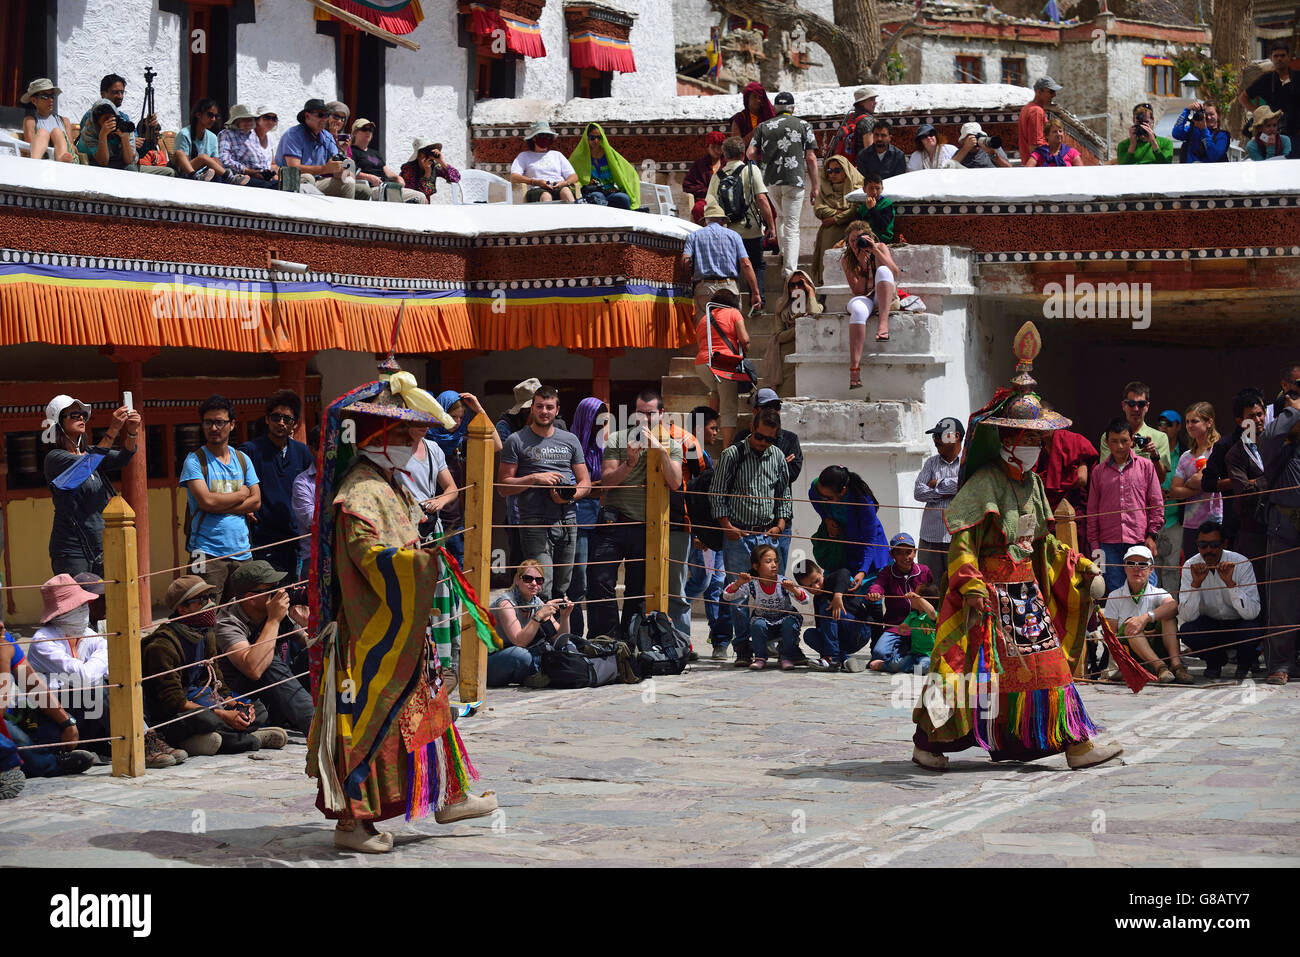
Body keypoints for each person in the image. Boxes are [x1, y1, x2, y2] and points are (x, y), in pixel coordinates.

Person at [910, 322, 1122, 772]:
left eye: (1041, 440)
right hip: (986, 598)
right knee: (962, 673)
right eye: (1030, 439)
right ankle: (928, 740)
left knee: (1048, 670)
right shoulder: (983, 484)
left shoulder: (1034, 485)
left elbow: (1043, 547)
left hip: (1025, 598)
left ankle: (1068, 743)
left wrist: (1081, 566)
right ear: (1007, 440)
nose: (1037, 447)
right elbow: (961, 542)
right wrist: (968, 583)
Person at [306, 354, 495, 852]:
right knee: (369, 724)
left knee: (425, 710)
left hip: (402, 626)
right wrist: (419, 564)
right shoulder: (357, 494)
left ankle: (448, 793)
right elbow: (367, 557)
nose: (416, 449)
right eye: (408, 440)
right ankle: (352, 823)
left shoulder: (387, 484)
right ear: (378, 440)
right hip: (370, 634)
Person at [143, 576, 285, 755]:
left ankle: (222, 738)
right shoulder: (162, 645)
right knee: (206, 718)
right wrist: (223, 715)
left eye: (210, 597)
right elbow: (173, 702)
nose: (210, 604)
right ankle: (245, 738)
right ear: (182, 609)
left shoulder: (206, 634)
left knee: (258, 710)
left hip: (205, 701)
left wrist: (234, 706)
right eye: (202, 600)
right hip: (177, 714)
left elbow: (217, 683)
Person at [588, 390, 683, 639]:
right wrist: (629, 463)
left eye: (650, 413)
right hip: (613, 522)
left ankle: (631, 640)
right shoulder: (618, 439)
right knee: (600, 581)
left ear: (661, 414)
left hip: (646, 526)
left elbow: (675, 483)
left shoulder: (672, 444)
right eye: (639, 412)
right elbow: (606, 483)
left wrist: (660, 451)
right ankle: (606, 639)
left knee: (638, 590)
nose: (644, 418)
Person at [710, 406, 791, 660]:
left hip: (767, 536)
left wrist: (779, 525)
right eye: (760, 437)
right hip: (738, 535)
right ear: (752, 430)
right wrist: (726, 526)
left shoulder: (777, 456)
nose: (764, 443)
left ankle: (765, 644)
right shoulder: (732, 455)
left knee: (771, 592)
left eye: (770, 439)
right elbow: (717, 493)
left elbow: (784, 493)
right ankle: (742, 647)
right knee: (738, 593)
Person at [498, 385, 592, 601]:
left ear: (557, 410)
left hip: (568, 520)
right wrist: (534, 479)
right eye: (539, 406)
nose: (544, 411)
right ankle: (539, 634)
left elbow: (585, 482)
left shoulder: (570, 440)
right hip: (534, 521)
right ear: (531, 408)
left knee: (564, 587)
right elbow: (503, 487)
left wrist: (569, 495)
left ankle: (558, 634)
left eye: (549, 407)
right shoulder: (516, 440)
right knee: (542, 584)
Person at [42, 395, 139, 578]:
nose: (81, 418)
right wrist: (114, 428)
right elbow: (87, 465)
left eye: (82, 415)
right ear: (59, 423)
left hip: (100, 544)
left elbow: (122, 458)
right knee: (79, 606)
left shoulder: (93, 453)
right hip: (72, 550)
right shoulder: (55, 458)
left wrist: (132, 432)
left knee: (106, 603)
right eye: (74, 415)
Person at [213, 561, 314, 734]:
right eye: (271, 590)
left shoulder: (275, 610)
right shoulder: (228, 622)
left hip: (280, 689)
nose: (280, 594)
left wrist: (310, 626)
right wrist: (273, 620)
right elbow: (253, 669)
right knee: (267, 662)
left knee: (313, 653)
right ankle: (315, 725)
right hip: (248, 698)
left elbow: (311, 644)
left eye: (279, 587)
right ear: (251, 598)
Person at [2, 598, 96, 783]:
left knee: (54, 731)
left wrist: (65, 721)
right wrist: (3, 661)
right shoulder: (12, 646)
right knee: (14, 740)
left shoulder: (5, 640)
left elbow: (30, 683)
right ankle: (48, 764)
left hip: (12, 714)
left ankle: (22, 761)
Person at [179, 395, 261, 600]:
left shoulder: (243, 460)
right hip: (206, 553)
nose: (214, 428)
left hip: (243, 552)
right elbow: (206, 502)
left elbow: (257, 501)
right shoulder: (195, 461)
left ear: (232, 425)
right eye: (208, 422)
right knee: (205, 615)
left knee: (243, 615)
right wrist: (241, 495)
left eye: (220, 422)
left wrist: (218, 504)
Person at [237, 390, 314, 575]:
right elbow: (234, 483)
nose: (281, 422)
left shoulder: (302, 452)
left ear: (294, 424)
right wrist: (243, 505)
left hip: (297, 539)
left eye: (287, 419)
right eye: (276, 417)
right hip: (264, 539)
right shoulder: (250, 450)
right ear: (267, 419)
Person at [1177, 522, 1264, 682]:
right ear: (1197, 545)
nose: (1208, 550)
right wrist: (1195, 585)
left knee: (1254, 629)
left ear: (1224, 544)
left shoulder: (1241, 563)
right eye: (1203, 545)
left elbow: (1252, 612)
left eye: (1214, 545)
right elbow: (1186, 616)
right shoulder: (1190, 566)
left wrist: (1231, 585)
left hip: (1238, 623)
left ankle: (1244, 664)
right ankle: (1215, 662)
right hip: (1210, 625)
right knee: (1187, 631)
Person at [1087, 418, 1164, 595]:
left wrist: (1152, 535)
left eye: (1124, 441)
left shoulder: (1145, 466)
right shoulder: (1098, 472)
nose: (1120, 446)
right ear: (1107, 442)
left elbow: (1156, 503)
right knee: (1115, 591)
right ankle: (1122, 623)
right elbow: (1092, 511)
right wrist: (1094, 544)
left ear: (1132, 441)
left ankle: (1146, 623)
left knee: (1146, 589)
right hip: (1108, 542)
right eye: (1114, 441)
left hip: (1139, 539)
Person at [749, 91, 819, 280]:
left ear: (775, 109)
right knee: (792, 225)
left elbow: (750, 152)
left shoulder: (763, 126)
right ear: (793, 108)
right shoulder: (804, 125)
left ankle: (783, 253)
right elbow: (811, 158)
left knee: (781, 216)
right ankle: (789, 270)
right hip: (794, 180)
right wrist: (815, 186)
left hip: (770, 181)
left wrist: (762, 166)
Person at [734, 389, 803, 570]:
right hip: (744, 526)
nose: (774, 411)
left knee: (776, 582)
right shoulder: (741, 438)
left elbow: (792, 474)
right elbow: (734, 476)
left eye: (776, 407)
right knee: (738, 583)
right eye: (768, 407)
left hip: (779, 524)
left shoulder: (790, 439)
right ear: (755, 411)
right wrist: (778, 466)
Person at [706, 135, 777, 307]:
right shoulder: (751, 171)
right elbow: (761, 199)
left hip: (728, 231)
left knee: (732, 268)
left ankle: (732, 306)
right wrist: (771, 226)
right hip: (751, 228)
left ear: (724, 154)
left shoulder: (718, 176)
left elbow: (710, 204)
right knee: (757, 265)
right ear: (743, 154)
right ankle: (759, 302)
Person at [681, 407, 730, 653]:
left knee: (715, 582)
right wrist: (700, 532)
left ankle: (718, 639)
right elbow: (696, 496)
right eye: (712, 427)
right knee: (703, 580)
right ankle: (676, 616)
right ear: (700, 429)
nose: (716, 432)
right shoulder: (691, 451)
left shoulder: (701, 453)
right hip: (699, 528)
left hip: (709, 528)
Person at [1102, 545, 1189, 684]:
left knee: (1168, 617)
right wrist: (1138, 631)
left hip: (1160, 648)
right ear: (1125, 568)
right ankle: (1160, 667)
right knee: (1131, 625)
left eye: (1142, 565)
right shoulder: (1114, 596)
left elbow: (1173, 606)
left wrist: (1145, 618)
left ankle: (1177, 665)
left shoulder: (1158, 592)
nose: (1136, 569)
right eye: (1131, 564)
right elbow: (1111, 634)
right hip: (1132, 656)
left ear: (1151, 569)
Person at [1260, 390, 1300, 684]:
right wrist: (1292, 410)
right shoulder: (1281, 445)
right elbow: (1268, 435)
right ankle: (1281, 664)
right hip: (1285, 526)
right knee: (1282, 600)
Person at [488, 559, 573, 687]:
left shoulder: (536, 602)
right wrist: (538, 616)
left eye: (539, 580)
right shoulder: (505, 603)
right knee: (521, 655)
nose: (534, 583)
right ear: (517, 579)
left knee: (569, 645)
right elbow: (519, 641)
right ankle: (543, 672)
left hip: (514, 657)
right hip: (490, 661)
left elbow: (561, 641)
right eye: (528, 579)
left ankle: (539, 673)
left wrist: (565, 616)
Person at [722, 543, 808, 670]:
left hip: (784, 623)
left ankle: (786, 657)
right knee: (757, 624)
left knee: (790, 623)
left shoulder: (783, 582)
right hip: (765, 624)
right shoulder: (752, 584)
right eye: (768, 561)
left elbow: (805, 600)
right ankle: (760, 658)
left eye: (776, 561)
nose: (774, 565)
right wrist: (739, 582)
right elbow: (727, 596)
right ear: (756, 566)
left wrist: (794, 590)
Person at [565, 396, 608, 637]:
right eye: (597, 418)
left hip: (600, 520)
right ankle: (574, 633)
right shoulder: (571, 444)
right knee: (577, 581)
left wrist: (593, 486)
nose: (601, 424)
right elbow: (572, 485)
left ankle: (596, 635)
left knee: (597, 580)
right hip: (578, 521)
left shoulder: (603, 446)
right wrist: (595, 486)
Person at [809, 461, 890, 586]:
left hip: (868, 554)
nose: (824, 500)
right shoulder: (818, 489)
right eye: (821, 496)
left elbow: (870, 538)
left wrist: (863, 571)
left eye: (829, 498)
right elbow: (813, 495)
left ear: (843, 491)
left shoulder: (862, 501)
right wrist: (826, 519)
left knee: (869, 598)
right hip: (844, 549)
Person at [841, 220, 899, 388]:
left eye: (858, 239)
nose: (854, 243)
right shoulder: (847, 259)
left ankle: (883, 324)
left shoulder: (880, 247)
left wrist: (874, 251)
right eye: (851, 240)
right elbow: (858, 290)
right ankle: (854, 369)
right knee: (858, 311)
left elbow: (894, 273)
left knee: (883, 270)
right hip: (864, 297)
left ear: (868, 237)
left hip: (883, 295)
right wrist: (861, 263)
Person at [78, 73, 170, 177]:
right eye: (115, 92)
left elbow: (138, 153)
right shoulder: (92, 117)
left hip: (126, 163)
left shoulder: (123, 118)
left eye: (122, 92)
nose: (120, 96)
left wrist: (148, 130)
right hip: (100, 165)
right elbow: (91, 146)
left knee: (169, 173)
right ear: (103, 94)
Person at [1032, 413, 1098, 556]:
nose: (1043, 430)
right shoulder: (1036, 449)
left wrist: (1053, 483)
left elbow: (1082, 478)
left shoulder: (1073, 442)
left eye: (1047, 425)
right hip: (1048, 515)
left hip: (1074, 509)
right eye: (1040, 427)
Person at [682, 207, 763, 322]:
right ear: (723, 221)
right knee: (730, 327)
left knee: (705, 328)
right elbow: (746, 264)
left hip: (704, 287)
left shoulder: (694, 236)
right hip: (729, 287)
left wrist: (689, 279)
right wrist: (755, 292)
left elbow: (685, 260)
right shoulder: (734, 236)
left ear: (705, 221)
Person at [694, 288, 750, 449]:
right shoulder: (733, 313)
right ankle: (726, 449)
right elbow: (744, 340)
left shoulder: (704, 319)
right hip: (724, 363)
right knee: (728, 407)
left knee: (715, 392)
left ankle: (707, 440)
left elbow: (700, 345)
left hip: (702, 364)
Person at [795, 559, 872, 671]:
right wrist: (824, 654)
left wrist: (838, 595)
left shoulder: (833, 580)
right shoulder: (817, 600)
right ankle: (843, 659)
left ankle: (834, 658)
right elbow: (821, 627)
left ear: (821, 572)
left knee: (828, 609)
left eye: (817, 581)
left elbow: (844, 573)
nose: (816, 587)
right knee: (809, 634)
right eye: (809, 586)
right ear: (803, 587)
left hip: (859, 631)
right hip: (840, 641)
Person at [1170, 402, 1224, 561]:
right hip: (1190, 525)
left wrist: (1192, 484)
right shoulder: (1186, 456)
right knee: (1192, 569)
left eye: (1194, 421)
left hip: (1214, 521)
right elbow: (1174, 491)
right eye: (1187, 421)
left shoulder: (1218, 450)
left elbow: (1203, 481)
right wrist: (1196, 484)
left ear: (1209, 422)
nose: (1189, 425)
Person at [864, 532, 933, 648]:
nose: (905, 557)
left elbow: (932, 593)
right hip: (895, 626)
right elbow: (878, 585)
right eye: (899, 553)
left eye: (908, 552)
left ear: (915, 552)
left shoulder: (924, 571)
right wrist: (875, 592)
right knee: (880, 653)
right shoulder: (887, 572)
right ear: (892, 555)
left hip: (921, 624)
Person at [915, 417, 964, 569]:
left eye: (939, 435)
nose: (936, 440)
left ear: (956, 436)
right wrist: (949, 490)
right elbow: (918, 492)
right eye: (934, 436)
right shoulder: (931, 462)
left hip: (958, 538)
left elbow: (966, 483)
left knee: (958, 587)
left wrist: (938, 484)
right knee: (931, 589)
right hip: (930, 538)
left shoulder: (967, 462)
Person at [1098, 381, 1171, 482]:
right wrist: (1126, 450)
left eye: (1141, 404)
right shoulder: (1109, 436)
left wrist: (1154, 455)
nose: (1136, 409)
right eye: (1131, 404)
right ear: (1124, 405)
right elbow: (1105, 473)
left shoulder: (1160, 437)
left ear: (1147, 406)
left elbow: (1161, 479)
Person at [275, 98, 350, 198]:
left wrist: (342, 167)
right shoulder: (293, 134)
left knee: (348, 183)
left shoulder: (327, 137)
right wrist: (324, 169)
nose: (324, 119)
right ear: (307, 116)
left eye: (326, 115)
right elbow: (293, 168)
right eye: (320, 115)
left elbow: (335, 160)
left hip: (316, 180)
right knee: (307, 177)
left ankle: (344, 213)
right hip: (289, 180)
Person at [1237, 39, 1299, 159]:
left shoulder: (1298, 77)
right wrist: (1260, 115)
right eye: (1276, 56)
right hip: (1274, 135)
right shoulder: (1266, 80)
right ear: (1271, 58)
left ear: (1288, 57)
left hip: (1297, 134)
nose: (1279, 59)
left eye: (1282, 55)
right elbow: (1243, 97)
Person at [810, 155, 863, 286]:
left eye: (837, 170)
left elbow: (853, 210)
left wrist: (834, 219)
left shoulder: (857, 188)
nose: (832, 174)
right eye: (829, 171)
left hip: (849, 234)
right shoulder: (824, 190)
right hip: (828, 235)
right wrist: (838, 212)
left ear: (846, 170)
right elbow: (819, 209)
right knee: (827, 268)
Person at [173, 98, 248, 184]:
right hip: (185, 173)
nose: (213, 119)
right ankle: (229, 178)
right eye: (210, 115)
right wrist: (205, 161)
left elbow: (216, 161)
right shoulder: (184, 134)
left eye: (216, 116)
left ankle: (226, 179)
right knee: (202, 157)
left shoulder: (212, 137)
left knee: (213, 162)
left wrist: (212, 163)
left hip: (206, 174)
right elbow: (182, 165)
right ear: (198, 114)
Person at [769, 270, 822, 388]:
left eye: (801, 284)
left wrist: (811, 292)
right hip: (786, 357)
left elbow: (814, 314)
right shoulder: (781, 307)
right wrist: (802, 327)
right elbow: (779, 336)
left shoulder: (817, 305)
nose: (796, 288)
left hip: (808, 354)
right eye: (792, 285)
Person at [348, 119, 423, 202]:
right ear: (355, 133)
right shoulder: (350, 151)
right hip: (370, 188)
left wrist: (398, 177)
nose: (368, 132)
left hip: (386, 186)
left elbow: (388, 173)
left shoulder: (375, 153)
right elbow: (349, 171)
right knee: (394, 195)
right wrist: (368, 177)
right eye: (364, 129)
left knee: (420, 197)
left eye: (370, 130)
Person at [871, 584, 940, 675]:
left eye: (915, 595)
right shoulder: (912, 615)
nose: (912, 599)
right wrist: (902, 628)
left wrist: (917, 597)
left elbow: (931, 611)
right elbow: (901, 630)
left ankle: (911, 668)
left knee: (923, 666)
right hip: (914, 654)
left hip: (928, 655)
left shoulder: (931, 615)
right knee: (897, 664)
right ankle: (884, 665)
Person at [570, 123, 639, 209]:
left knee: (623, 198)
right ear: (586, 138)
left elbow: (628, 171)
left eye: (599, 138)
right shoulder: (578, 157)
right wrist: (584, 185)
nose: (596, 141)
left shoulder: (609, 154)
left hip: (611, 191)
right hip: (591, 194)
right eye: (592, 138)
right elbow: (572, 178)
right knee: (598, 197)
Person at [1153, 408, 1185, 594]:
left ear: (1178, 427)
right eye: (1160, 424)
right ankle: (1156, 611)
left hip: (1175, 517)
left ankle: (1171, 609)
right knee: (1154, 566)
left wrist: (1176, 492)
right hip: (1155, 518)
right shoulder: (1152, 452)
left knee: (1172, 567)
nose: (1163, 428)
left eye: (1169, 424)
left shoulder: (1185, 452)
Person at [510, 121, 578, 203]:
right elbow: (514, 177)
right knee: (546, 196)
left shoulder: (557, 155)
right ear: (534, 138)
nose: (545, 138)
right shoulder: (524, 156)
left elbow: (573, 176)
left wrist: (564, 183)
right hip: (536, 189)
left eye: (548, 136)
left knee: (566, 191)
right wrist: (535, 182)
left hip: (558, 187)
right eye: (542, 135)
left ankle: (573, 214)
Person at [215, 104, 278, 188]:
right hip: (240, 177)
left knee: (283, 186)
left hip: (259, 176)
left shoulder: (253, 135)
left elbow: (262, 160)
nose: (248, 123)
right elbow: (225, 160)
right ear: (236, 121)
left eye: (250, 120)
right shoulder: (226, 134)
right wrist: (249, 171)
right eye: (244, 120)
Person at [19, 78, 76, 163]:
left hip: (68, 159)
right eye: (45, 96)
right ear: (34, 101)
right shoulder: (30, 121)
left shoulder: (64, 121)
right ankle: (34, 162)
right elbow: (28, 147)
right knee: (43, 132)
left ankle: (61, 160)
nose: (51, 100)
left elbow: (72, 147)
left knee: (57, 132)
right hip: (42, 158)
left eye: (52, 96)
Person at [323, 100, 371, 200]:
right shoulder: (320, 134)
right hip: (323, 177)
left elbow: (349, 169)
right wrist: (331, 137)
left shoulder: (344, 141)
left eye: (343, 118)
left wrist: (343, 150)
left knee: (364, 190)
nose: (339, 121)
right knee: (348, 182)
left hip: (340, 177)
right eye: (336, 116)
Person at [291, 426, 320, 581]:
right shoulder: (302, 482)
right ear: (312, 450)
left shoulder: (345, 476)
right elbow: (311, 519)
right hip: (315, 558)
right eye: (323, 448)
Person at [78, 98, 138, 170]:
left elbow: (129, 160)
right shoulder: (89, 132)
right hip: (92, 162)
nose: (111, 123)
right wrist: (103, 135)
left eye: (113, 118)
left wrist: (124, 137)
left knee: (131, 168)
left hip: (116, 161)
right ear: (97, 123)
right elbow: (103, 162)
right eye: (106, 120)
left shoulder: (124, 125)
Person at [684, 131, 726, 224]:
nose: (716, 150)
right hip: (706, 199)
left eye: (719, 147)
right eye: (713, 147)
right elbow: (688, 185)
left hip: (726, 199)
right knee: (698, 209)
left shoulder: (727, 163)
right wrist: (709, 192)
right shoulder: (700, 164)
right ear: (707, 147)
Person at [1018, 76, 1061, 163]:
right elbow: (1036, 145)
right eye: (1051, 92)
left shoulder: (1027, 108)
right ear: (1039, 92)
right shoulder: (1036, 111)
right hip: (1039, 165)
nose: (1054, 95)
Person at [829, 86, 879, 161]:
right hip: (860, 168)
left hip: (848, 165)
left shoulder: (850, 117)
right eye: (872, 100)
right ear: (862, 102)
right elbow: (870, 150)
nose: (875, 103)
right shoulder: (867, 120)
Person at [729, 81, 775, 146]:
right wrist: (754, 133)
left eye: (760, 98)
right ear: (747, 99)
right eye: (754, 97)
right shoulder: (740, 118)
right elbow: (735, 146)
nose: (758, 100)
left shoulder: (767, 115)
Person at [854, 172, 896, 244]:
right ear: (864, 189)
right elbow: (856, 226)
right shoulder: (862, 207)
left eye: (878, 188)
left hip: (882, 240)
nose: (874, 192)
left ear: (882, 189)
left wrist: (872, 209)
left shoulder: (886, 204)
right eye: (871, 188)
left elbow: (882, 226)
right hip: (864, 239)